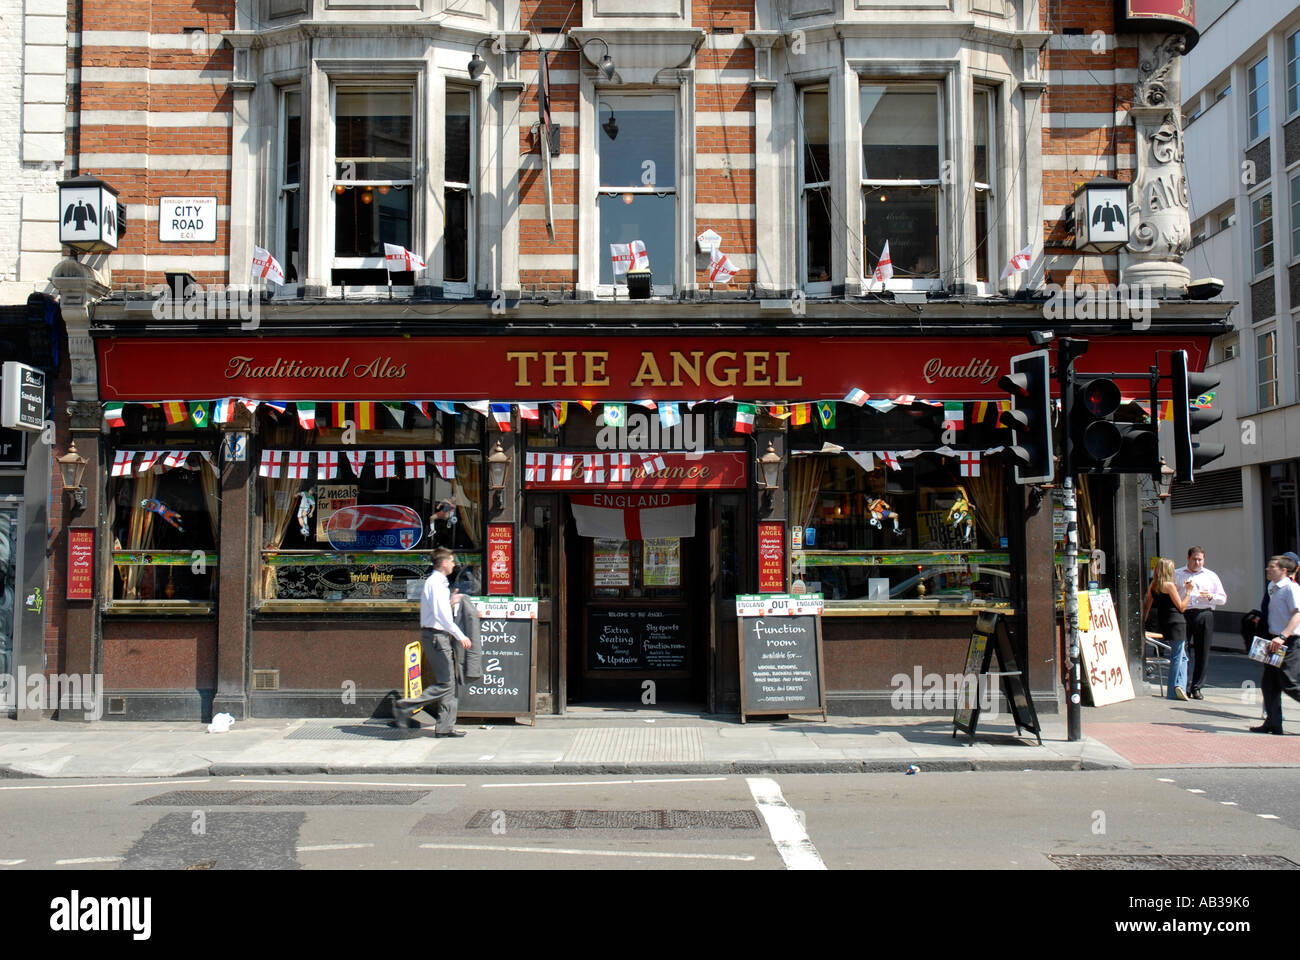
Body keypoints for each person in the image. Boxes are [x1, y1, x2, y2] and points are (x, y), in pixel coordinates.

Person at [392, 548, 471, 737]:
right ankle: (405, 706)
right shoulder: (436, 583)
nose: (454, 564)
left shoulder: (438, 583)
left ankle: (445, 727)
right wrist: (460, 635)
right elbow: (441, 616)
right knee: (446, 684)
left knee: (448, 683)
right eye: (451, 560)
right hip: (437, 636)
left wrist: (450, 601)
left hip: (436, 636)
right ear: (443, 563)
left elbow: (439, 609)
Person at [1252, 555, 1300, 734]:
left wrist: (1282, 636)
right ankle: (1273, 723)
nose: (1268, 569)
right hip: (1273, 641)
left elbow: (1297, 614)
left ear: (1284, 570)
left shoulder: (1291, 588)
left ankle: (1273, 721)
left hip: (1289, 641)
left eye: (1272, 567)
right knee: (1269, 683)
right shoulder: (1272, 587)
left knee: (1289, 682)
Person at [1174, 546, 1227, 699]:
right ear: (1188, 558)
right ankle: (1181, 684)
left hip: (1204, 614)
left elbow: (1223, 598)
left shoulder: (1211, 576)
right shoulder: (1178, 574)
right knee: (1183, 650)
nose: (1197, 562)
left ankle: (1196, 687)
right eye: (1194, 559)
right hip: (1184, 613)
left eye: (1200, 559)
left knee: (1202, 651)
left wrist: (1211, 597)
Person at [1141, 557, 1191, 700]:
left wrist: (1143, 622)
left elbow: (1147, 606)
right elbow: (1181, 607)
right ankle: (1173, 690)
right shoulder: (1169, 586)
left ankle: (1179, 686)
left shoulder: (1153, 585)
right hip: (1177, 622)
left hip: (1165, 622)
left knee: (1183, 657)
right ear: (1169, 570)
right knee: (1177, 656)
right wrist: (1188, 592)